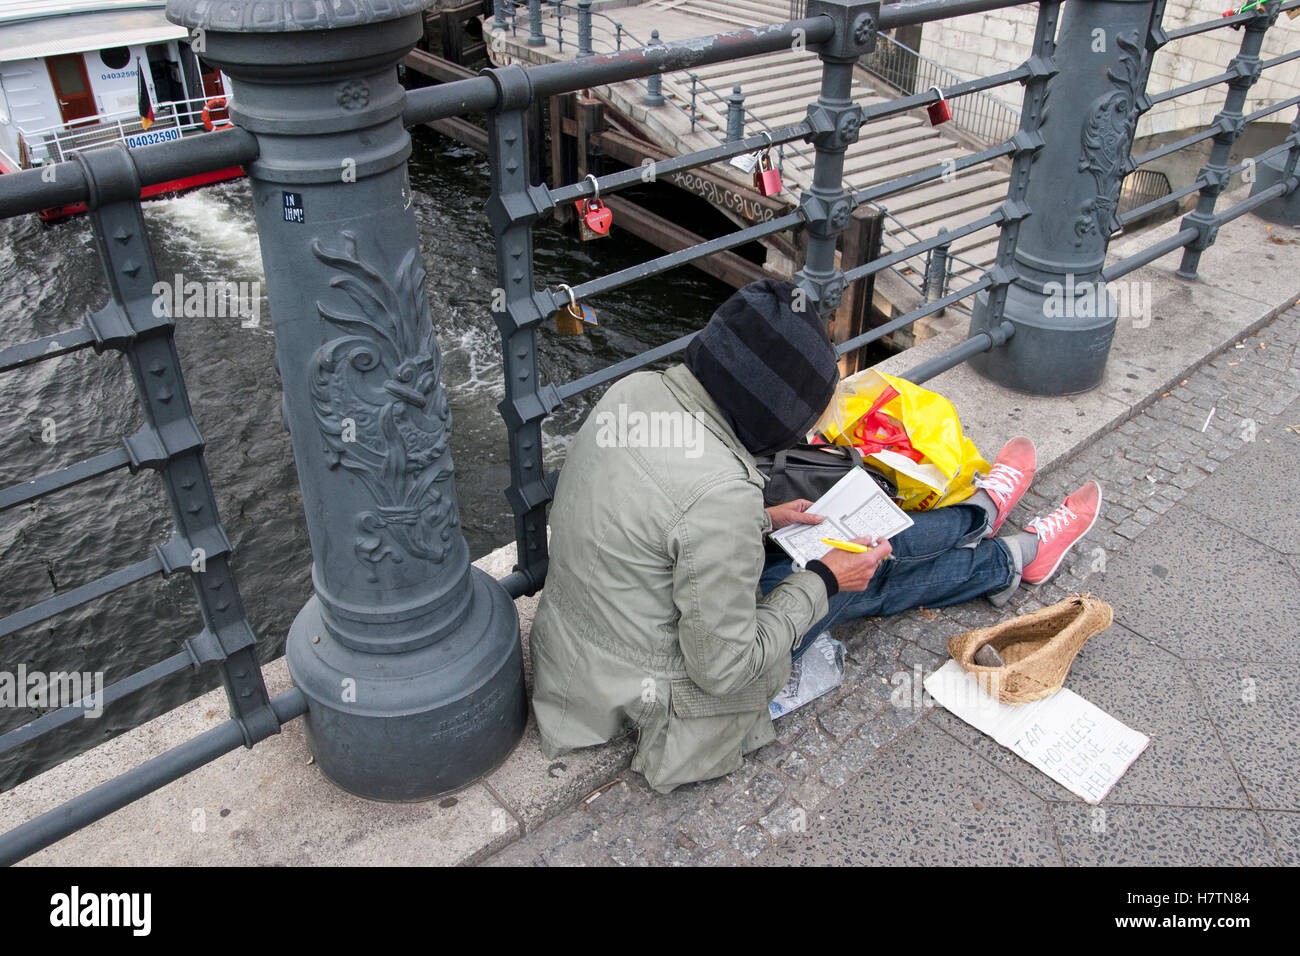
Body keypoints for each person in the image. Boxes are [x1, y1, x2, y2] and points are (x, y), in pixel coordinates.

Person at [529, 279, 1101, 793]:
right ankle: (998, 546)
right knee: (857, 575)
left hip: (583, 661)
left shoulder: (635, 393)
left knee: (843, 551)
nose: (806, 433)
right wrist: (826, 580)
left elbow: (659, 521)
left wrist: (765, 518)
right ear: (770, 413)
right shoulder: (719, 497)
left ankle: (986, 528)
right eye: (802, 421)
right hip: (666, 688)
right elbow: (725, 669)